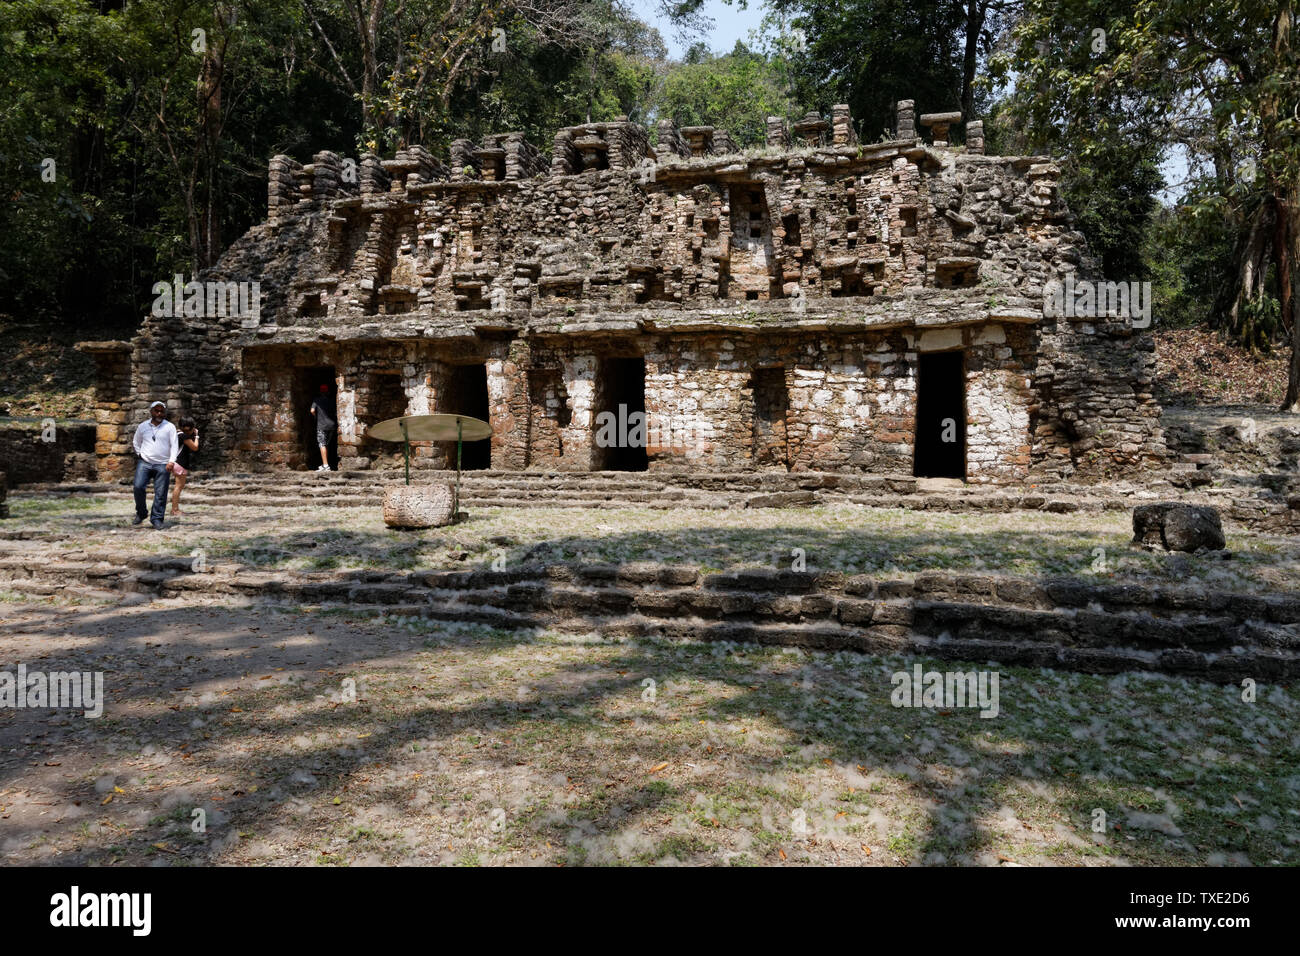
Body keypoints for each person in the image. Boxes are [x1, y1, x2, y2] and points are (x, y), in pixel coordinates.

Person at [132, 401, 179, 529]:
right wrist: (140, 454)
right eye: (156, 411)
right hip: (145, 462)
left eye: (162, 411)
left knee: (160, 493)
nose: (159, 413)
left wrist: (171, 461)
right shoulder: (142, 426)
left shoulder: (170, 427)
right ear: (151, 411)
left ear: (165, 413)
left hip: (163, 464)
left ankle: (157, 519)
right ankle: (141, 513)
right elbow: (136, 442)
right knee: (138, 487)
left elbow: (174, 445)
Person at [170, 417, 200, 516]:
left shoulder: (177, 434)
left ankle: (174, 509)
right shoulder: (183, 436)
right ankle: (175, 510)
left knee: (178, 486)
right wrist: (196, 436)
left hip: (175, 462)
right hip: (180, 463)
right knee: (178, 486)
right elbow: (195, 447)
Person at [310, 382, 336, 471]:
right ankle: (325, 463)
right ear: (328, 392)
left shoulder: (316, 400)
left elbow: (312, 410)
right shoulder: (332, 401)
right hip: (331, 425)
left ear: (320, 392)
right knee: (326, 444)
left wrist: (315, 417)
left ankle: (326, 465)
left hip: (321, 425)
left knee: (322, 444)